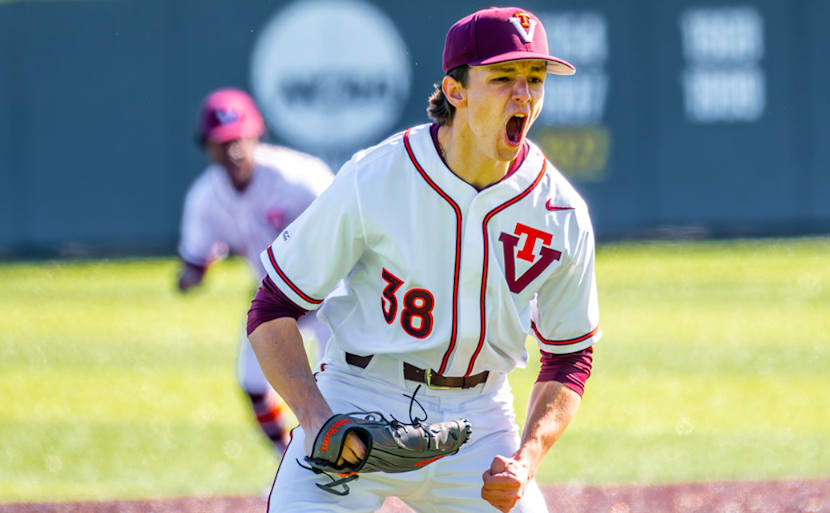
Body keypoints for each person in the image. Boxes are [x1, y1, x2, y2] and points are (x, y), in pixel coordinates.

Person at [247, 6, 599, 512]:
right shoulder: (377, 177)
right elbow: (272, 306)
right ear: (455, 91)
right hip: (360, 397)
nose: (524, 94)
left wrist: (526, 458)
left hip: (479, 422)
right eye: (503, 78)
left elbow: (569, 357)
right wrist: (315, 417)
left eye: (535, 78)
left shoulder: (560, 211)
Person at [177, 88, 335, 455]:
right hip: (274, 298)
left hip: (331, 291)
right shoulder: (205, 197)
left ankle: (355, 460)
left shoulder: (300, 176)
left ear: (255, 135)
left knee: (342, 382)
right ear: (206, 146)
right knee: (252, 383)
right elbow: (194, 263)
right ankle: (291, 459)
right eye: (221, 142)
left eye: (238, 139)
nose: (232, 150)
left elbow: (348, 228)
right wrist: (192, 274)